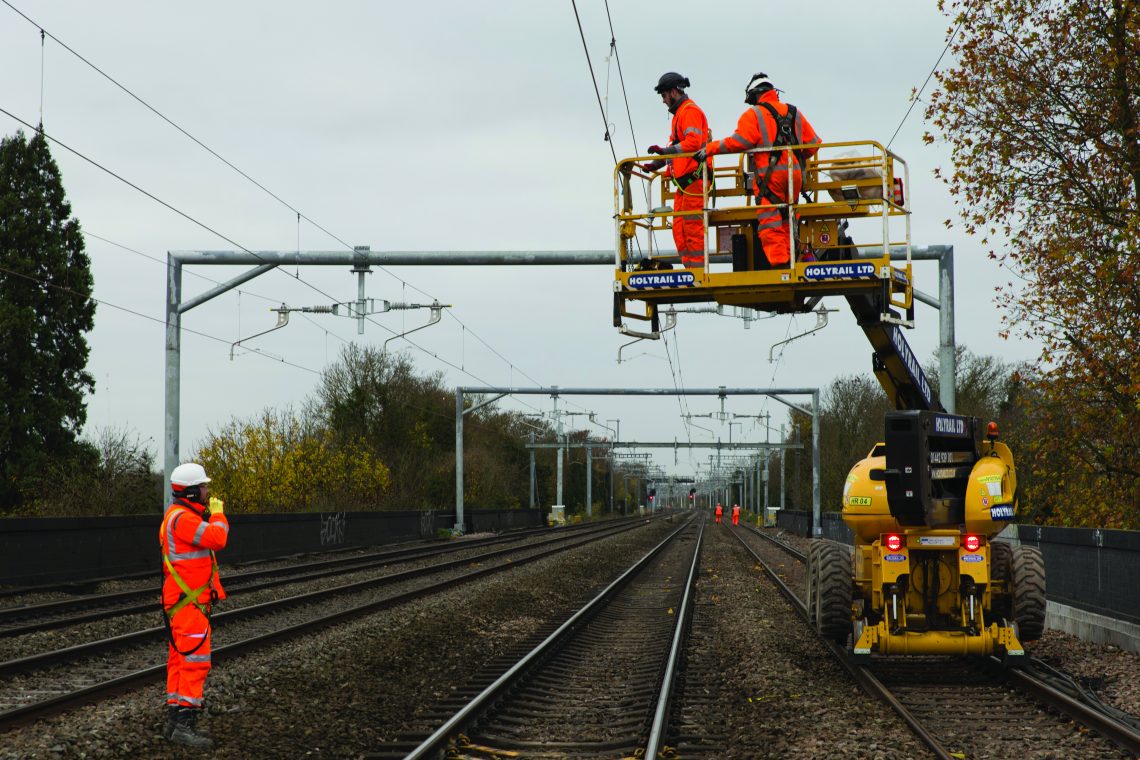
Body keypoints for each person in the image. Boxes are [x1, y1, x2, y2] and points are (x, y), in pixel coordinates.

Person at [695, 73, 820, 268]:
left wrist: (710, 148)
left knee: (770, 224)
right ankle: (791, 264)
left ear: (755, 95)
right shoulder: (794, 112)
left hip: (770, 179)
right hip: (794, 177)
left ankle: (780, 266)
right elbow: (813, 145)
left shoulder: (753, 114)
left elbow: (740, 141)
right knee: (787, 220)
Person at [160, 462, 229, 748]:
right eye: (202, 487)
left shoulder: (176, 516)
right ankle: (184, 726)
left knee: (180, 662)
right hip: (189, 605)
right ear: (190, 492)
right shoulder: (184, 520)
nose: (206, 491)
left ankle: (174, 721)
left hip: (183, 603)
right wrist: (218, 515)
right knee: (194, 663)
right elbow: (218, 538)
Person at [640, 72, 711, 269]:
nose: (663, 101)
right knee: (680, 231)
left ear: (673, 92)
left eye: (664, 95)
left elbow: (693, 144)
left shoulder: (689, 111)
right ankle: (691, 272)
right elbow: (678, 150)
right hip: (684, 186)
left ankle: (698, 274)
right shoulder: (680, 115)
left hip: (694, 183)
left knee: (693, 231)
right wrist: (656, 164)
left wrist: (664, 152)